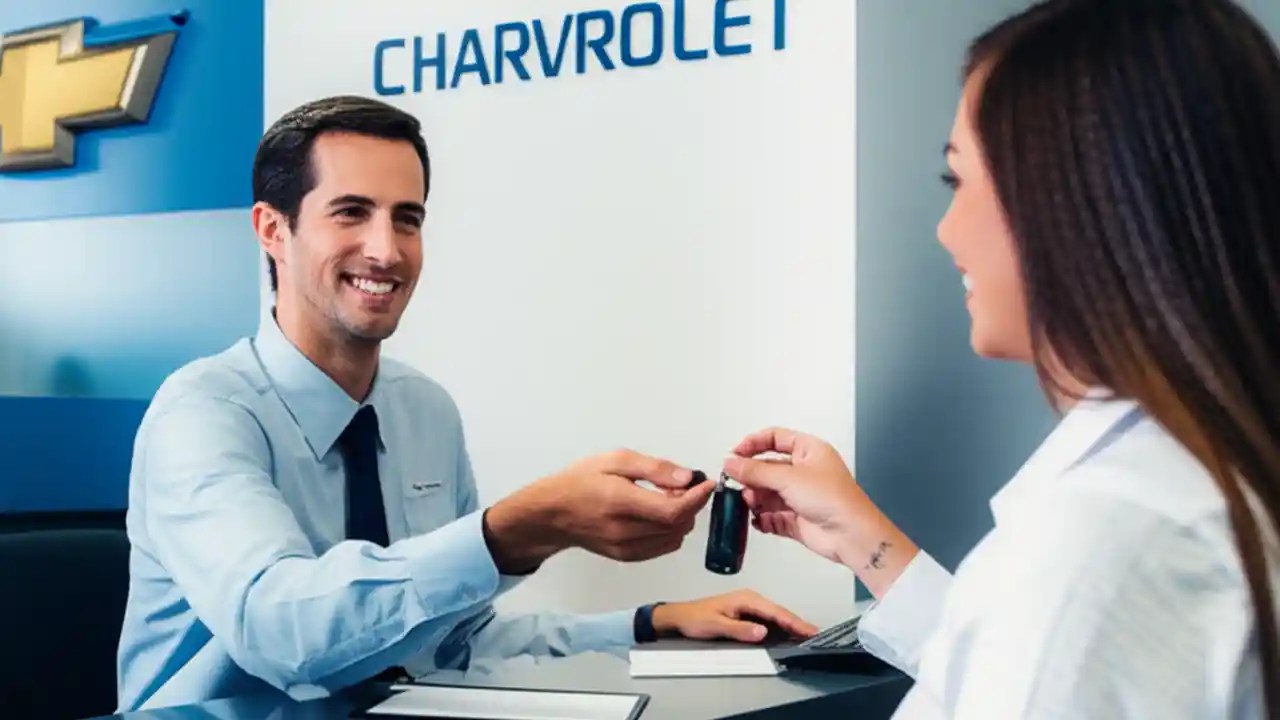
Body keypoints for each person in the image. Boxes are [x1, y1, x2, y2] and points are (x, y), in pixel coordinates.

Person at [115, 95, 816, 712]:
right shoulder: (202, 412)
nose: (386, 250)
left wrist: (651, 621)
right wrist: (510, 532)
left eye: (408, 218)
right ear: (273, 230)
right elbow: (280, 635)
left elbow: (450, 640)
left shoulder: (424, 410)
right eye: (351, 213)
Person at [724, 0, 1280, 717]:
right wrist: (871, 546)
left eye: (957, 180)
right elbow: (1018, 674)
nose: (946, 230)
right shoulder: (1181, 489)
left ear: (1077, 199)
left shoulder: (1100, 545)